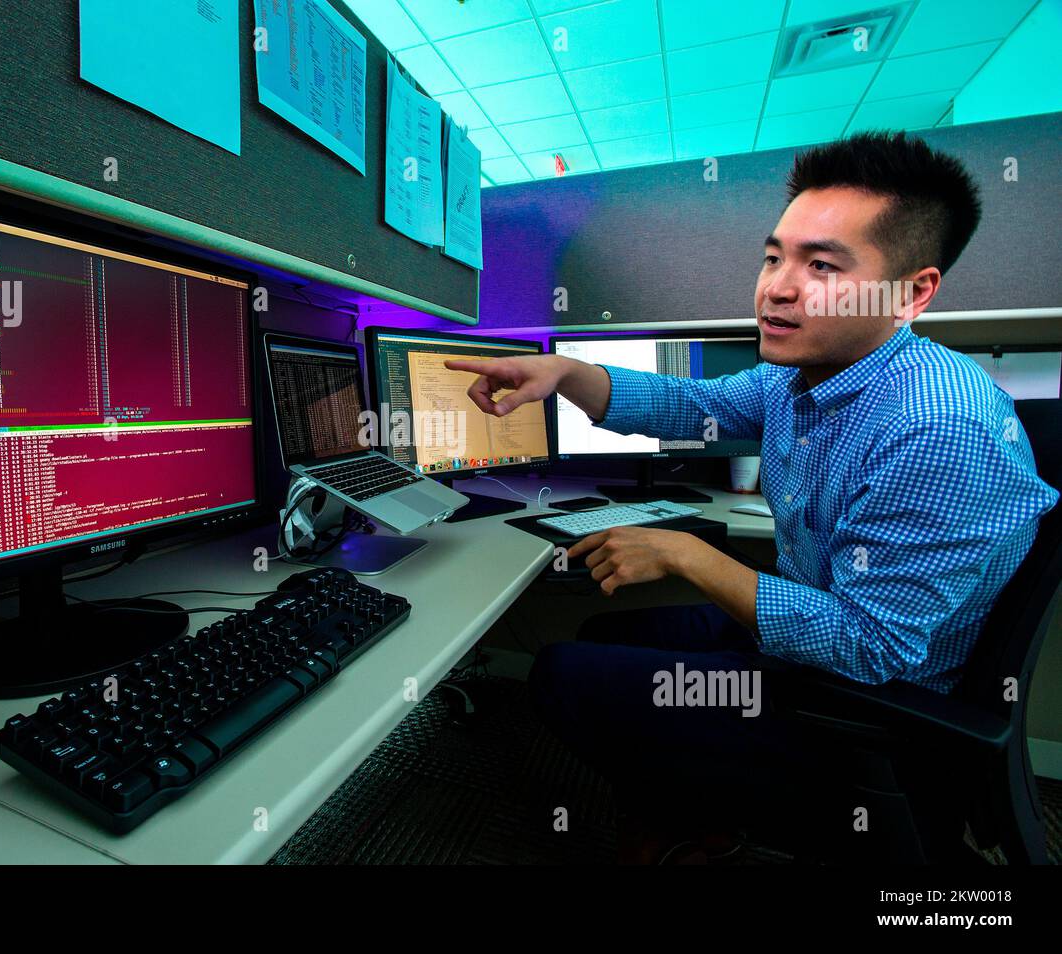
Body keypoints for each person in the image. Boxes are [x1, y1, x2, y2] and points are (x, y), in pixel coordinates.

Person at [444, 131, 1058, 864]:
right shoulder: (803, 373)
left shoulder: (935, 427)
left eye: (822, 265)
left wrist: (686, 554)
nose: (777, 287)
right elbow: (691, 406)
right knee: (607, 637)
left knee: (561, 676)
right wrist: (568, 374)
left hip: (859, 700)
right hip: (805, 631)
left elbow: (870, 646)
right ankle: (686, 797)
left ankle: (703, 809)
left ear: (913, 292)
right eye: (776, 257)